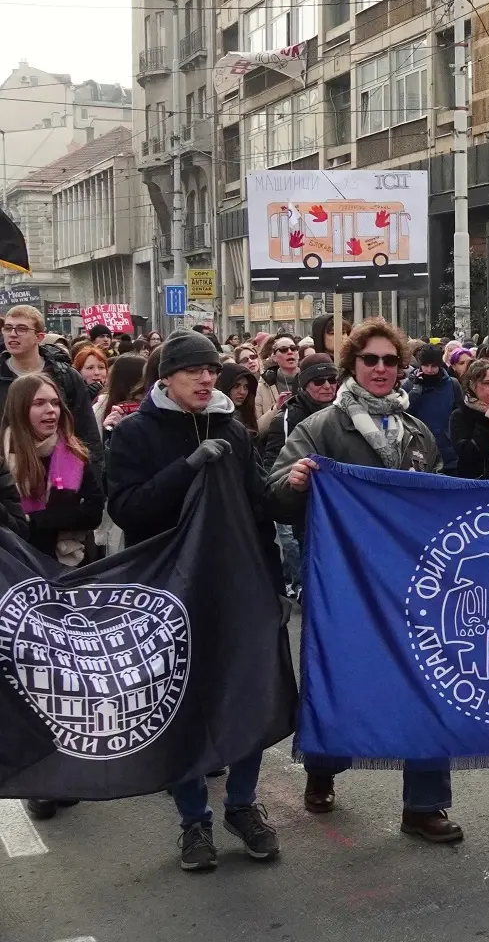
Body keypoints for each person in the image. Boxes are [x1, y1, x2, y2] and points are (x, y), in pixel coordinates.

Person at [268, 319, 460, 843]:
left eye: (390, 361)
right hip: (344, 583)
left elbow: (440, 498)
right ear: (352, 364)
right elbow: (275, 492)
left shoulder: (416, 431)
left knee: (428, 684)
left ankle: (425, 805)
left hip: (412, 581)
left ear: (401, 368)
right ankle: (323, 766)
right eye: (370, 359)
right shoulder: (321, 427)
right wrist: (295, 481)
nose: (380, 368)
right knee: (341, 679)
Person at [104, 330, 280, 869]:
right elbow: (128, 509)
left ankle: (242, 806)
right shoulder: (134, 433)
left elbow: (260, 506)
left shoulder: (233, 429)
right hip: (168, 594)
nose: (207, 379)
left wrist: (294, 489)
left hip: (236, 585)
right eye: (193, 372)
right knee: (178, 706)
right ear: (166, 379)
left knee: (248, 697)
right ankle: (193, 821)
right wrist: (188, 467)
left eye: (212, 370)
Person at [6, 372, 105, 567]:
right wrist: (60, 515)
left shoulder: (75, 453)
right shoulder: (4, 456)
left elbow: (93, 512)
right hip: (14, 567)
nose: (51, 410)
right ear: (19, 409)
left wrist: (37, 520)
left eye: (55, 403)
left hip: (69, 565)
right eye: (39, 403)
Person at [0, 305, 102, 456]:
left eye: (22, 329)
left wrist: (92, 466)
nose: (12, 334)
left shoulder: (65, 375)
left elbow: (87, 431)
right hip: (9, 465)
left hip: (59, 464)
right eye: (8, 328)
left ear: (39, 337)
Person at [448, 358, 489, 479]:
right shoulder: (460, 415)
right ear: (473, 385)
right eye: (486, 383)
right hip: (475, 483)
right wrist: (488, 421)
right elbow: (467, 453)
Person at [404, 344, 459, 468]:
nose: (429, 370)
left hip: (448, 450)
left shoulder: (452, 384)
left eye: (433, 366)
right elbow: (404, 414)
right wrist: (416, 391)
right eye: (425, 365)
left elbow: (459, 414)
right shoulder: (409, 385)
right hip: (419, 448)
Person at [214, 364, 262, 440]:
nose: (242, 392)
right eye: (236, 386)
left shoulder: (248, 417)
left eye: (246, 387)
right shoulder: (213, 421)